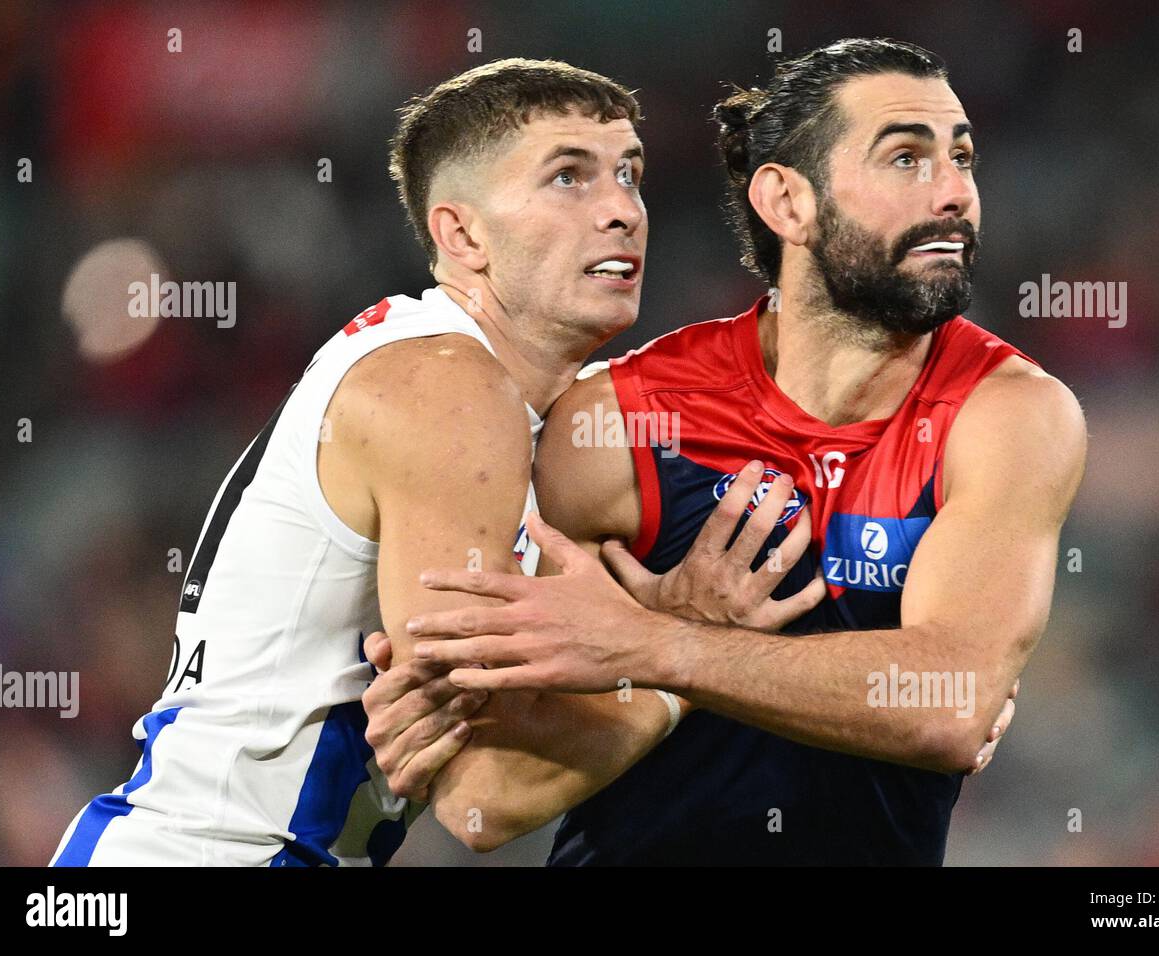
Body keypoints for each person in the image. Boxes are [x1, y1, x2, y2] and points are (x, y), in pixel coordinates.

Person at [365, 38, 1082, 864]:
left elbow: (950, 706)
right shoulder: (619, 423)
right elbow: (483, 801)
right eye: (907, 160)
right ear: (787, 202)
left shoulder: (1010, 415)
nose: (956, 193)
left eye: (962, 158)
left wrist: (659, 642)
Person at [50, 57, 671, 866]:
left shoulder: (509, 398)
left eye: (629, 173)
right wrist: (683, 662)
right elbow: (483, 798)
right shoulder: (447, 385)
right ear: (462, 235)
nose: (621, 209)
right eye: (569, 177)